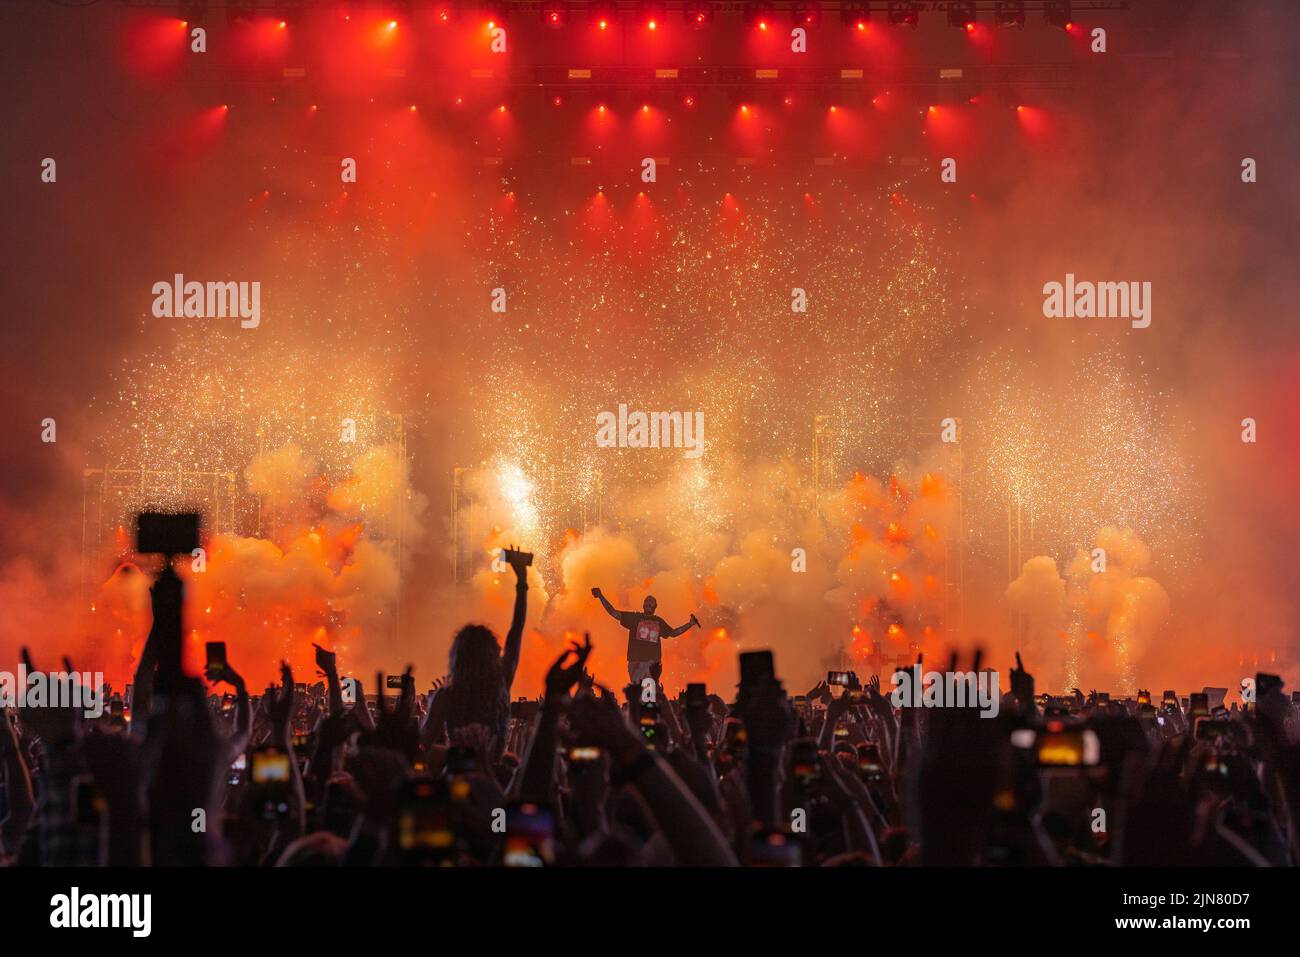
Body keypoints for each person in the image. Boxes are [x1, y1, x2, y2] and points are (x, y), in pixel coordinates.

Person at [421, 546, 531, 760]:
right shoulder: (501, 682)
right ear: (492, 653)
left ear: (457, 657)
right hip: (494, 779)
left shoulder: (447, 695)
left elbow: (422, 745)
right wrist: (522, 579)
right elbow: (517, 628)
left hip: (455, 778)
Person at [590, 587, 699, 687]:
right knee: (639, 693)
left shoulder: (659, 622)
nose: (648, 604)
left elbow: (673, 633)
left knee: (647, 694)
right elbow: (613, 612)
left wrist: (690, 624)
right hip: (635, 662)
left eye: (651, 603)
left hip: (651, 663)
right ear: (643, 605)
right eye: (646, 602)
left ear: (655, 606)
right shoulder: (634, 618)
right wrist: (601, 596)